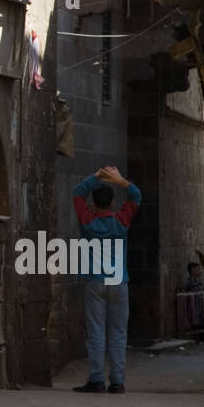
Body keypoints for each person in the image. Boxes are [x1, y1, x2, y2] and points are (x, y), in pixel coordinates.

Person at [70, 165, 141, 393]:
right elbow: (136, 195)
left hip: (95, 282)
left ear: (93, 204)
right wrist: (120, 181)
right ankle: (118, 381)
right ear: (112, 203)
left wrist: (96, 177)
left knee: (96, 331)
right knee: (119, 332)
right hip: (119, 282)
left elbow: (77, 193)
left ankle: (96, 379)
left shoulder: (87, 221)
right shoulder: (122, 221)